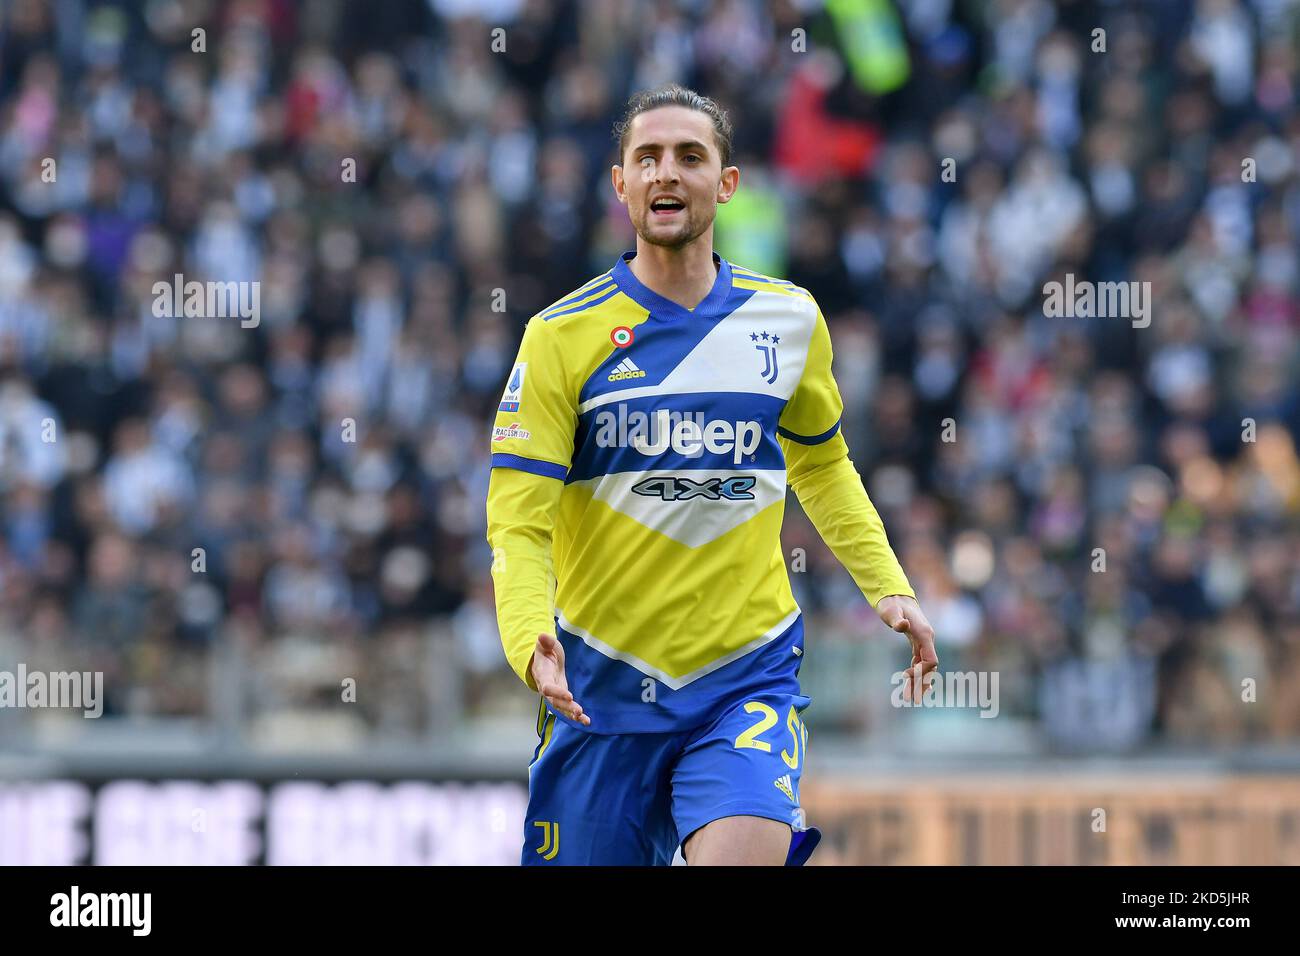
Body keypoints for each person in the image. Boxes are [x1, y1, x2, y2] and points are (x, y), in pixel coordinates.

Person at [486, 85, 937, 866]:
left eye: (690, 157)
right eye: (647, 158)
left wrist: (886, 584)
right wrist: (530, 637)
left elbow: (823, 463)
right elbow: (517, 520)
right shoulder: (559, 337)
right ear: (620, 184)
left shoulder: (789, 320)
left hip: (743, 675)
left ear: (726, 183)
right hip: (601, 688)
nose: (668, 173)